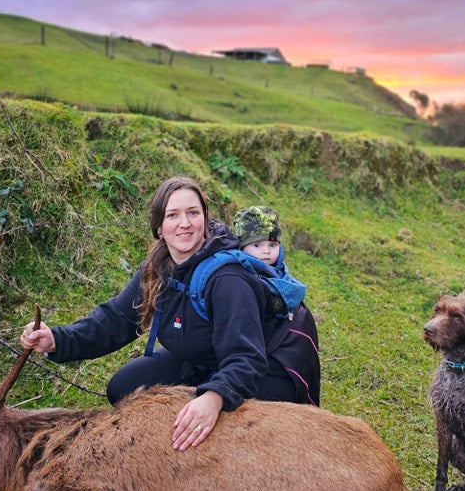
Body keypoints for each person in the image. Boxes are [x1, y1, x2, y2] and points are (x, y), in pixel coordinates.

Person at [20, 177, 310, 452]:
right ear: (159, 227)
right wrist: (57, 339)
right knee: (123, 388)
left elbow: (246, 357)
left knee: (226, 430)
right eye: (172, 215)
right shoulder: (159, 264)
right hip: (205, 357)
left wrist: (214, 397)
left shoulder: (228, 279)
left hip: (266, 367)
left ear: (205, 220)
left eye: (193, 213)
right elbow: (117, 319)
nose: (184, 224)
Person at [233, 205, 306, 316]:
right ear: (242, 247)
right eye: (257, 245)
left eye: (272, 245)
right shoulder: (237, 275)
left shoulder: (280, 271)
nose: (266, 251)